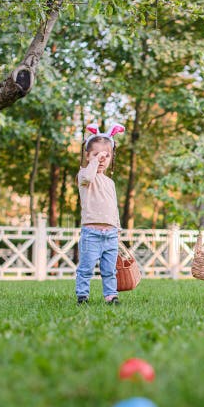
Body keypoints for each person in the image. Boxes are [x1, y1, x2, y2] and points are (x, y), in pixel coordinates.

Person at [76, 123, 125, 305]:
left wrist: (117, 227)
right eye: (96, 155)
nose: (102, 159)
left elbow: (113, 207)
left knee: (109, 269)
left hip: (110, 234)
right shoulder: (84, 175)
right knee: (86, 267)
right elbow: (89, 176)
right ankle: (82, 295)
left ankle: (111, 295)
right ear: (87, 156)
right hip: (91, 233)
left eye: (106, 155)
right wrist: (96, 161)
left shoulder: (109, 182)